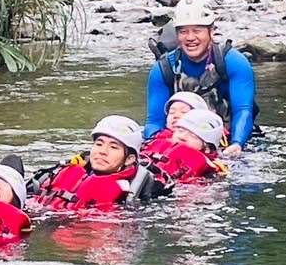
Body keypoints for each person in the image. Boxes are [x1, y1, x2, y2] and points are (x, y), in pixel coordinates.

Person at [144, 0, 256, 156]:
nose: (190, 38)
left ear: (212, 31)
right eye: (183, 31)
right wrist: (159, 145)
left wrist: (237, 143)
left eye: (197, 30)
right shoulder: (163, 68)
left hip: (228, 141)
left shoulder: (234, 62)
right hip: (178, 141)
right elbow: (154, 121)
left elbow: (243, 110)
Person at [31, 116, 168, 213]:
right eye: (99, 144)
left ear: (129, 159)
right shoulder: (68, 171)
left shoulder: (128, 196)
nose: (102, 151)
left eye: (113, 147)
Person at [148, 108, 228, 183]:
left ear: (207, 148)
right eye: (180, 131)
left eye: (193, 136)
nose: (182, 137)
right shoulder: (159, 144)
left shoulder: (209, 175)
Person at [142, 91, 215, 160]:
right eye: (171, 112)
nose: (176, 115)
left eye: (184, 112)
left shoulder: (207, 148)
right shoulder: (155, 139)